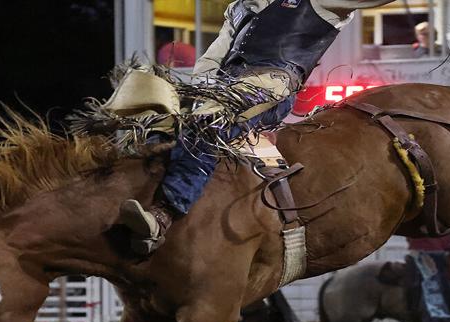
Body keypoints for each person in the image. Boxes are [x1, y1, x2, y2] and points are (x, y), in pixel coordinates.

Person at [118, 0, 403, 255]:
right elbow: (211, 61)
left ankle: (163, 215)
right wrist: (195, 97)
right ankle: (136, 196)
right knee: (157, 125)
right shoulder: (238, 8)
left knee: (210, 126)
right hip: (225, 89)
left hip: (270, 86)